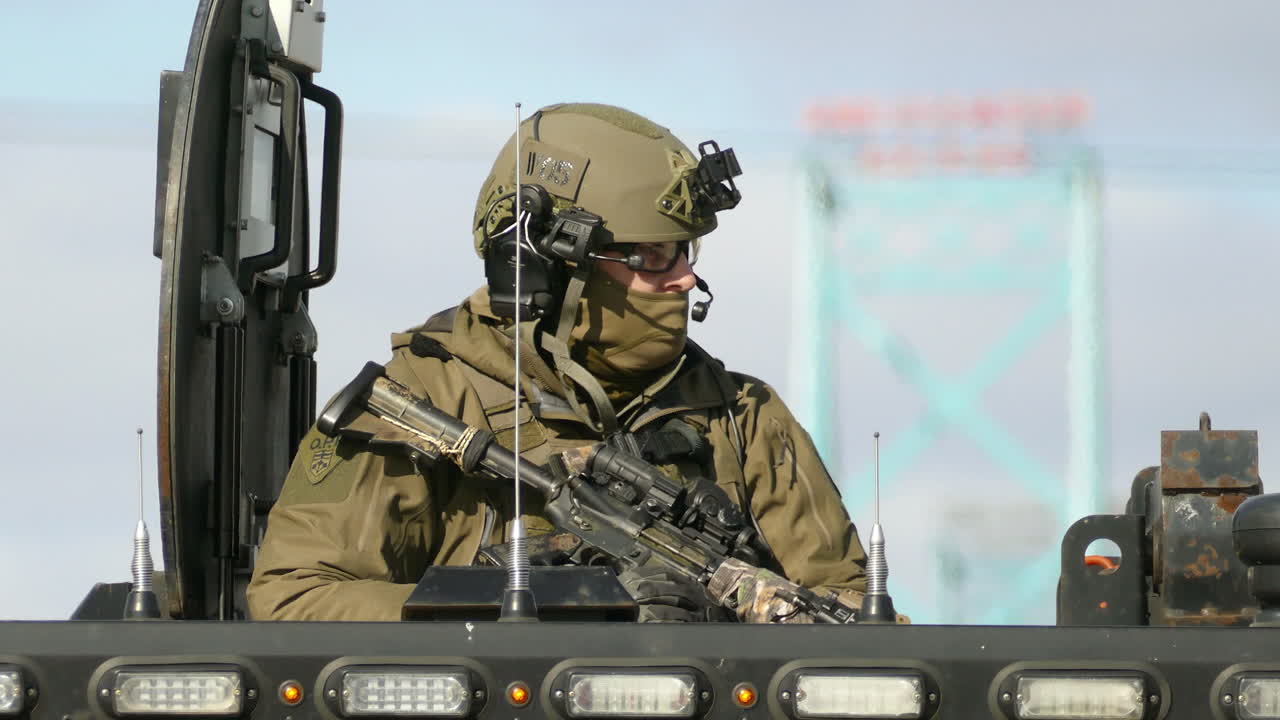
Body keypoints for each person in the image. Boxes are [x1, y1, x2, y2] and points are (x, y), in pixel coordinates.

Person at [247, 103, 869, 622]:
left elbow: (853, 615)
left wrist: (715, 622)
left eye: (684, 252)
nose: (684, 279)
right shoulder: (423, 398)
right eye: (651, 258)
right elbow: (295, 597)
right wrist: (549, 608)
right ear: (548, 267)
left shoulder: (744, 419)